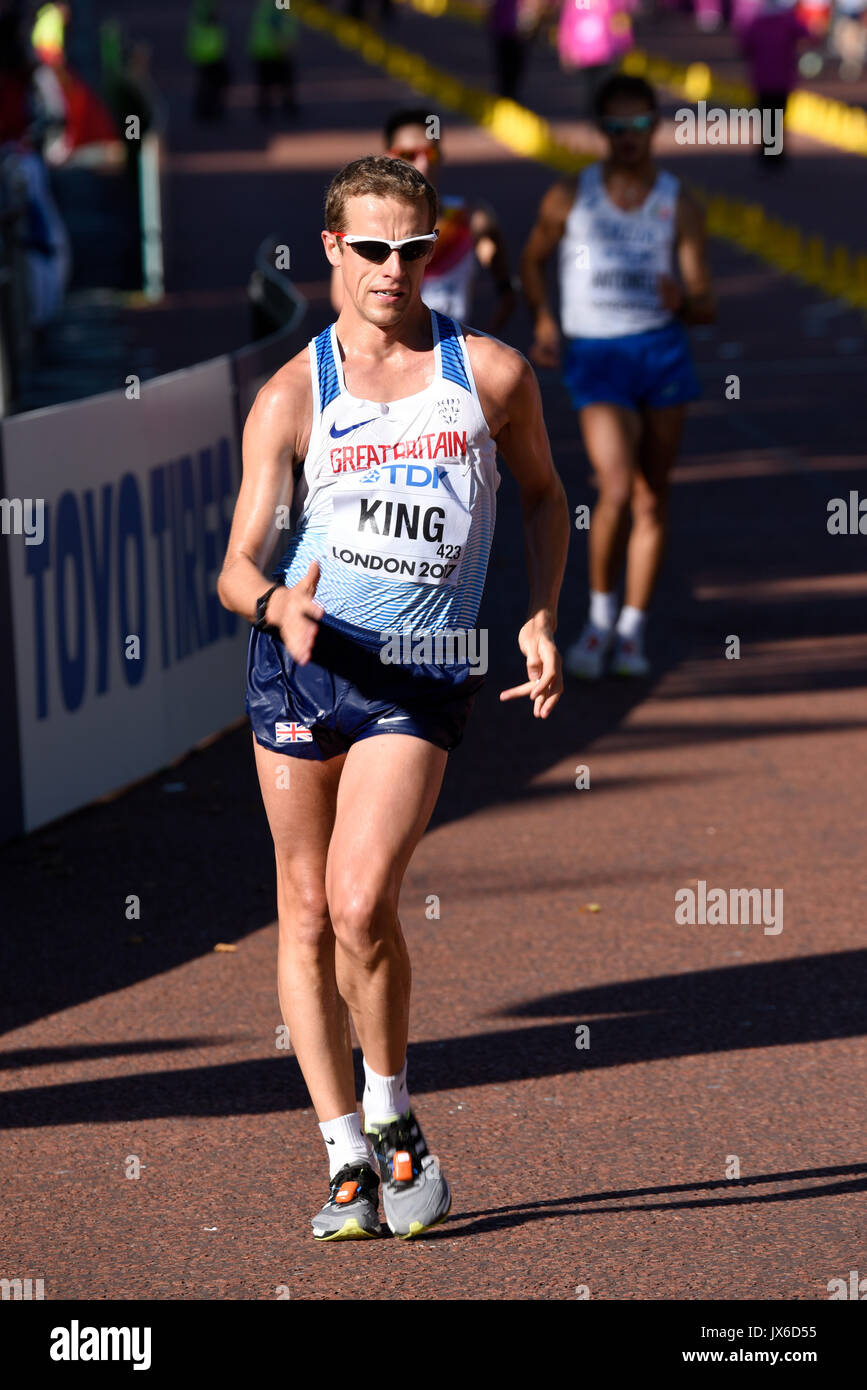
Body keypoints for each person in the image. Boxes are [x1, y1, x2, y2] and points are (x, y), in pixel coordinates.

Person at [217, 155, 568, 1240]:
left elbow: (550, 499)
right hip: (300, 663)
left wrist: (542, 614)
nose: (391, 269)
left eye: (412, 250)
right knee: (307, 909)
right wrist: (277, 605)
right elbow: (234, 567)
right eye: (370, 248)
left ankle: (393, 1111)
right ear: (332, 249)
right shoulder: (292, 394)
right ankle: (341, 1158)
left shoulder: (492, 376)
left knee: (365, 901)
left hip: (417, 672)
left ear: (433, 252)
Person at [521, 74, 715, 679]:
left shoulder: (677, 202)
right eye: (616, 127)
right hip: (597, 355)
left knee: (652, 499)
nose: (628, 138)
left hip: (660, 352)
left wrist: (682, 299)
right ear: (601, 131)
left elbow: (706, 302)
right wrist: (547, 317)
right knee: (615, 487)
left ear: (654, 127)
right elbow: (532, 259)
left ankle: (631, 631)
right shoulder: (570, 196)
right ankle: (597, 621)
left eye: (638, 126)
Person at [330, 108, 518, 334]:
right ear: (388, 157)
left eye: (430, 154)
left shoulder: (471, 219)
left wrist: (498, 315)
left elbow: (504, 283)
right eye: (409, 155)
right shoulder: (366, 224)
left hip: (448, 349)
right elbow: (340, 298)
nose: (422, 165)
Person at [739, 0, 810, 162]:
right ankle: (774, 153)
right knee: (778, 116)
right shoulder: (786, 21)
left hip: (762, 80)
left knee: (766, 116)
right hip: (782, 80)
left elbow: (745, 46)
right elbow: (807, 33)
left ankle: (767, 151)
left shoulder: (756, 23)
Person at [248, 0, 298, 120]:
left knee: (266, 84)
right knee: (283, 82)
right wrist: (283, 42)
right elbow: (278, 21)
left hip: (263, 47)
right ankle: (286, 108)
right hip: (274, 49)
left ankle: (266, 110)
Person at [186, 0, 230, 122]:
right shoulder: (206, 5)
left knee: (207, 83)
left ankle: (206, 111)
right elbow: (209, 20)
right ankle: (208, 112)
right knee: (212, 84)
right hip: (209, 51)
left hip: (206, 49)